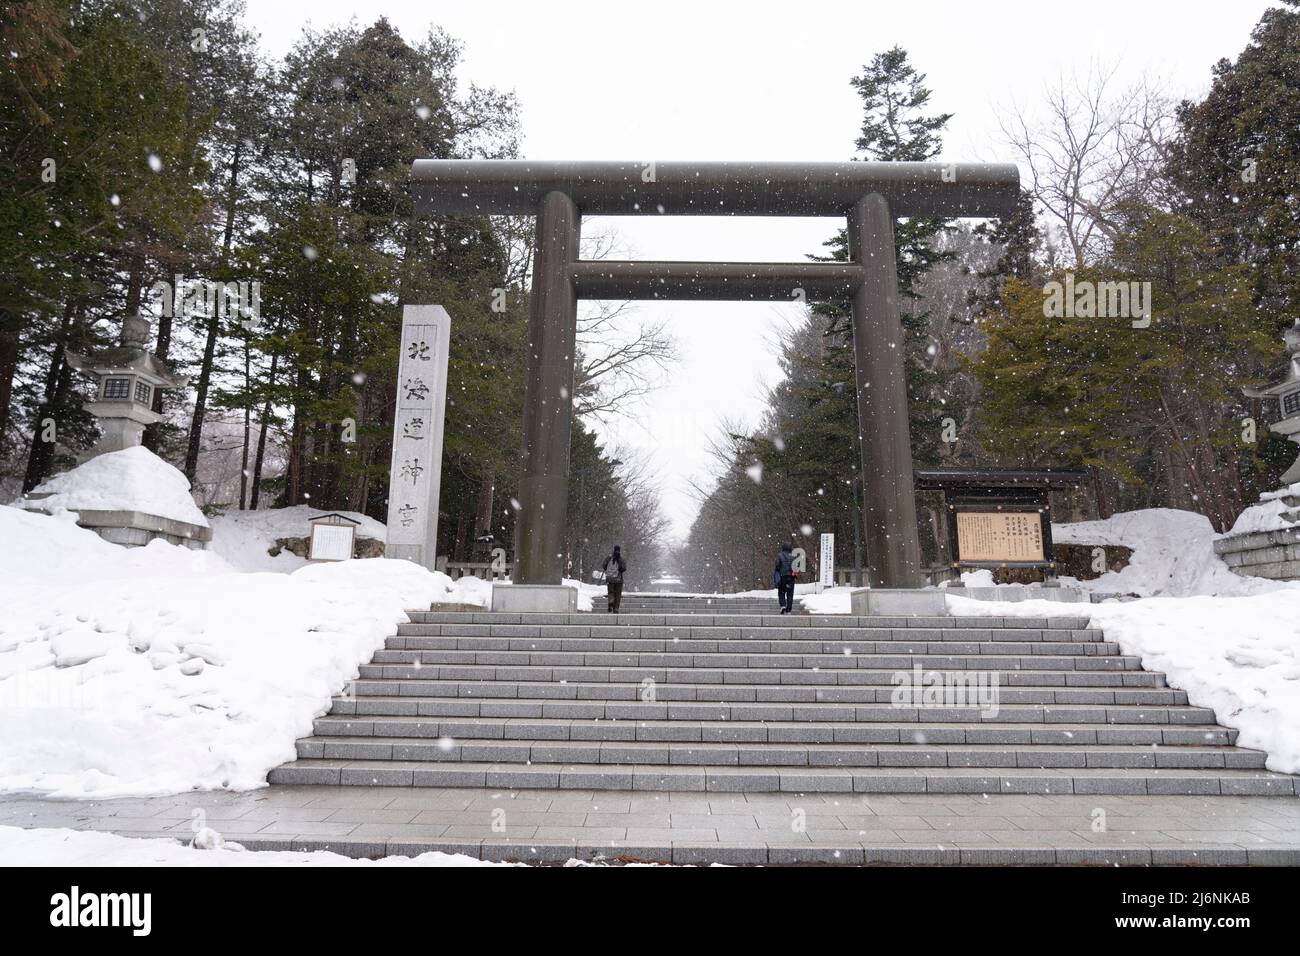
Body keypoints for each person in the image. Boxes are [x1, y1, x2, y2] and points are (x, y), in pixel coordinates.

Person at [601, 546, 627, 614]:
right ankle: (616, 608)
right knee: (618, 594)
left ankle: (611, 601)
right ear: (619, 550)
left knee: (611, 592)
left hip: (610, 579)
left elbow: (604, 566)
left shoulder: (609, 557)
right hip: (618, 579)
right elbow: (624, 568)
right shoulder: (621, 559)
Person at [773, 542, 796, 614]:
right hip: (791, 577)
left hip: (782, 576)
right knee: (790, 593)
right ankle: (789, 609)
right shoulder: (793, 556)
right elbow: (796, 567)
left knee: (781, 592)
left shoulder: (780, 555)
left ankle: (783, 605)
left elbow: (777, 566)